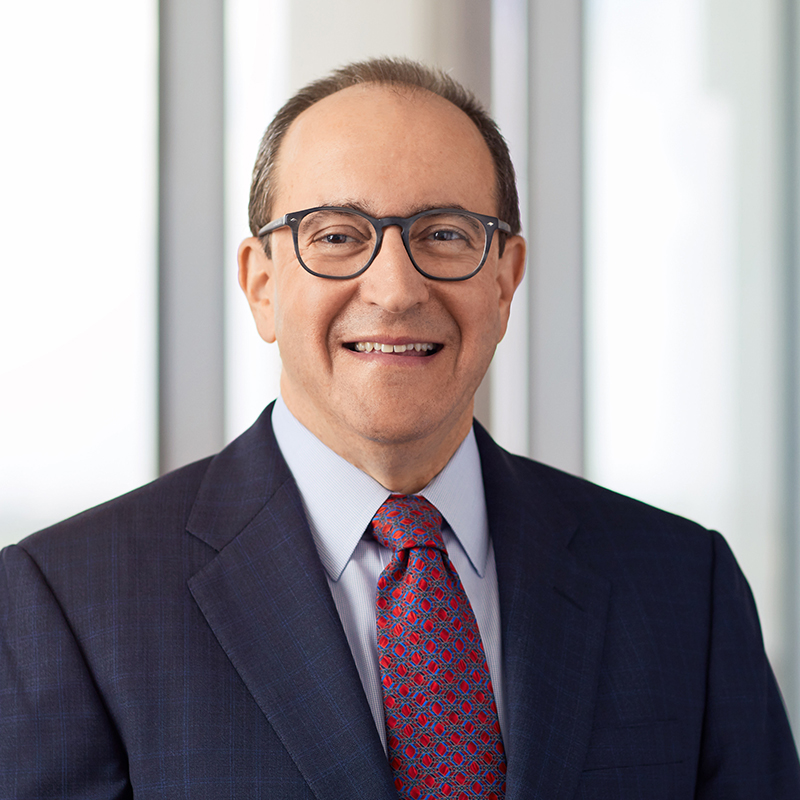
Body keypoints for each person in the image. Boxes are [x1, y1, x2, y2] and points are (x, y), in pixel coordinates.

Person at [1, 57, 798, 800]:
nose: (394, 288)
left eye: (444, 234)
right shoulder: (68, 604)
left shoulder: (685, 588)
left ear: (504, 282)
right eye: (336, 236)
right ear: (262, 285)